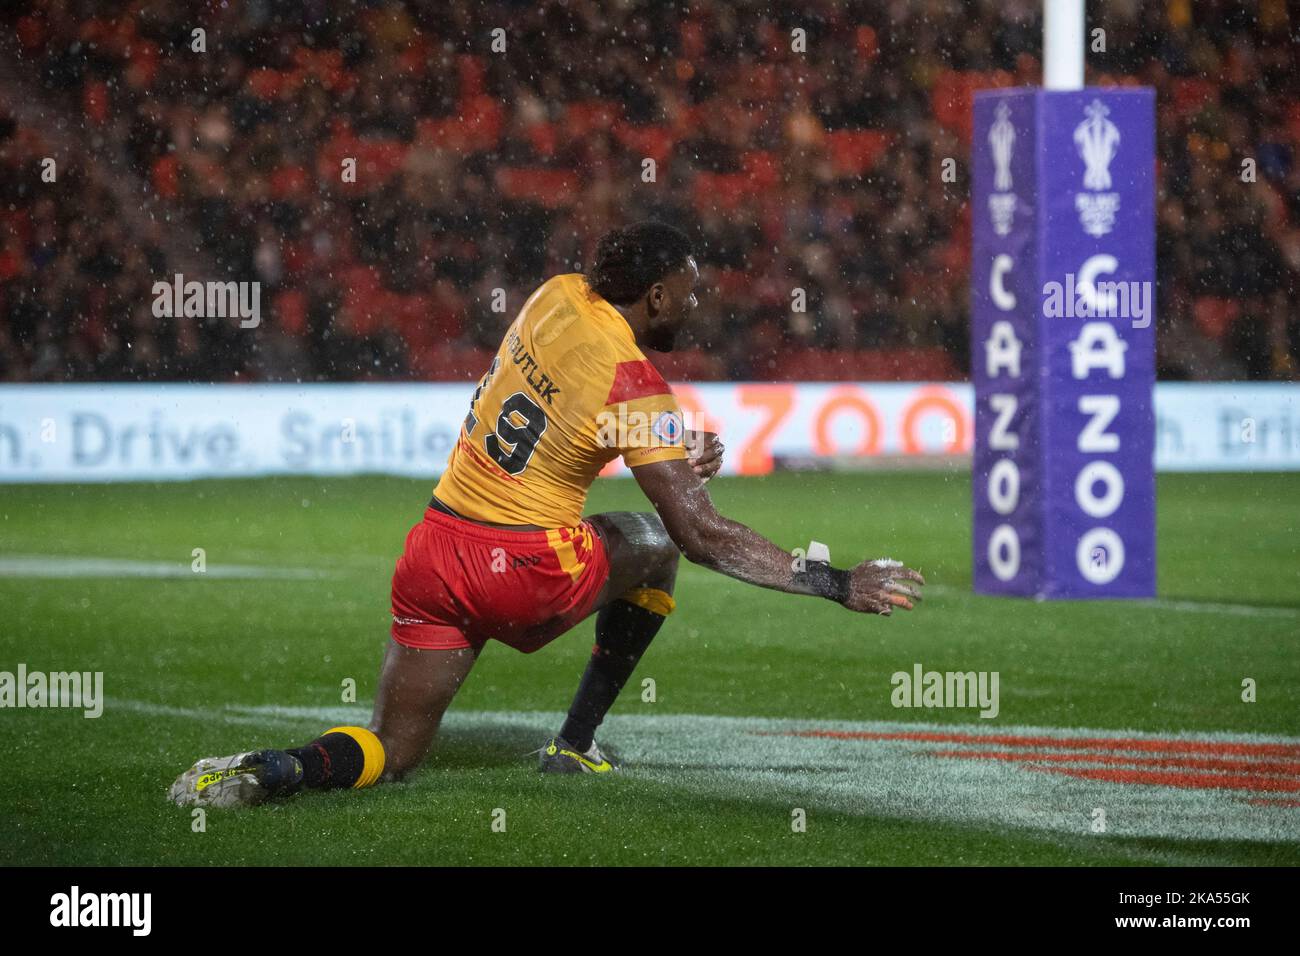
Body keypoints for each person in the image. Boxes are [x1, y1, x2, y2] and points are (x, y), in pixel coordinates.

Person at [169, 221, 923, 807]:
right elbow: (703, 535)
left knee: (391, 752)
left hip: (433, 554)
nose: (695, 305)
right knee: (658, 543)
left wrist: (670, 442)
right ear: (655, 296)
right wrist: (832, 580)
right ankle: (574, 743)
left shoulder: (555, 294)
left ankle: (277, 769)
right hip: (526, 569)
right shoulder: (636, 380)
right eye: (688, 291)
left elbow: (563, 405)